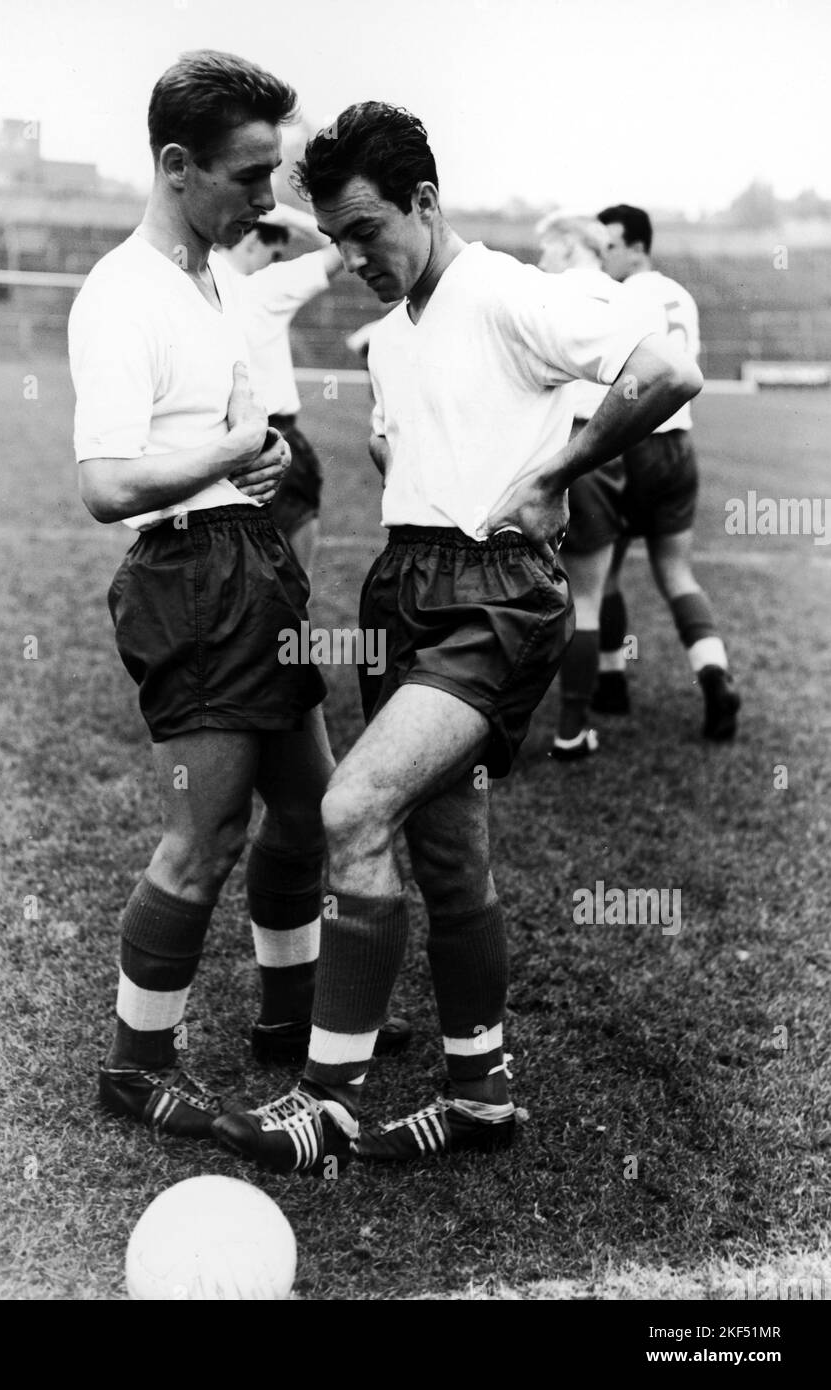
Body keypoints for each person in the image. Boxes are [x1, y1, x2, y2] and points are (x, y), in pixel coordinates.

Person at [211, 102, 701, 1174]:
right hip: (406, 587)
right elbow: (411, 450)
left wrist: (554, 474)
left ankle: (327, 1099)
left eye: (367, 230)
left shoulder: (505, 291)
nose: (349, 257)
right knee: (440, 845)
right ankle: (480, 1089)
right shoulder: (394, 331)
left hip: (495, 599)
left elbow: (665, 371)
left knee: (353, 804)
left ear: (425, 203)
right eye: (334, 238)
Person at [68, 51, 404, 1147]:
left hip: (249, 560)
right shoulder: (123, 293)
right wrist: (223, 455)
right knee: (204, 835)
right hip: (187, 581)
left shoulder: (206, 276)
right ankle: (137, 1063)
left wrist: (246, 469)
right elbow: (106, 483)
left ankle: (284, 1014)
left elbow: (207, 444)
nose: (268, 200)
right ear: (177, 165)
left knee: (309, 809)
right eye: (250, 176)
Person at [594, 204, 741, 739]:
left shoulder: (620, 295)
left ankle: (610, 681)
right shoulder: (681, 294)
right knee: (677, 572)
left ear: (637, 247)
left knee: (602, 572)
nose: (601, 255)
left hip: (633, 446)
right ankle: (713, 674)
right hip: (680, 446)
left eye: (608, 245)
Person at [536, 211, 664, 760]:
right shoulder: (626, 299)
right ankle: (569, 732)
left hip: (535, 450)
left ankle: (482, 729)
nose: (541, 260)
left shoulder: (538, 292)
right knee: (584, 598)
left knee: (510, 594)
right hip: (597, 450)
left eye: (547, 249)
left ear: (567, 248)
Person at [218, 204, 344, 577]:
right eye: (273, 255)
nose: (273, 263)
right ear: (255, 239)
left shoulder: (198, 283)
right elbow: (345, 246)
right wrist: (286, 215)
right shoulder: (266, 285)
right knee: (294, 579)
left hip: (218, 449)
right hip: (276, 441)